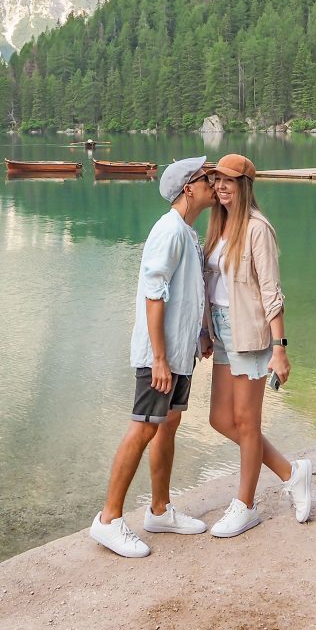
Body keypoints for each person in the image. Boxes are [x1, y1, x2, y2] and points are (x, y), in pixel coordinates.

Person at [90, 155, 218, 558]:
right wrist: (159, 359)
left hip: (181, 352)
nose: (214, 182)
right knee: (143, 427)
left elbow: (186, 293)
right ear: (188, 188)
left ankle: (159, 510)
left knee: (168, 425)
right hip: (159, 354)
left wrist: (201, 334)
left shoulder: (187, 232)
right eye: (207, 177)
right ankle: (108, 520)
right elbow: (153, 293)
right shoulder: (169, 231)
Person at [203, 153, 312, 537]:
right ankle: (291, 472)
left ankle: (245, 505)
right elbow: (211, 284)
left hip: (249, 333)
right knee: (220, 419)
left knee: (248, 423)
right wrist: (204, 329)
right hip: (220, 333)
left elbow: (272, 292)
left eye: (229, 181)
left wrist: (280, 348)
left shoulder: (257, 228)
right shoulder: (218, 224)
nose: (221, 186)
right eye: (217, 180)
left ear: (246, 185)